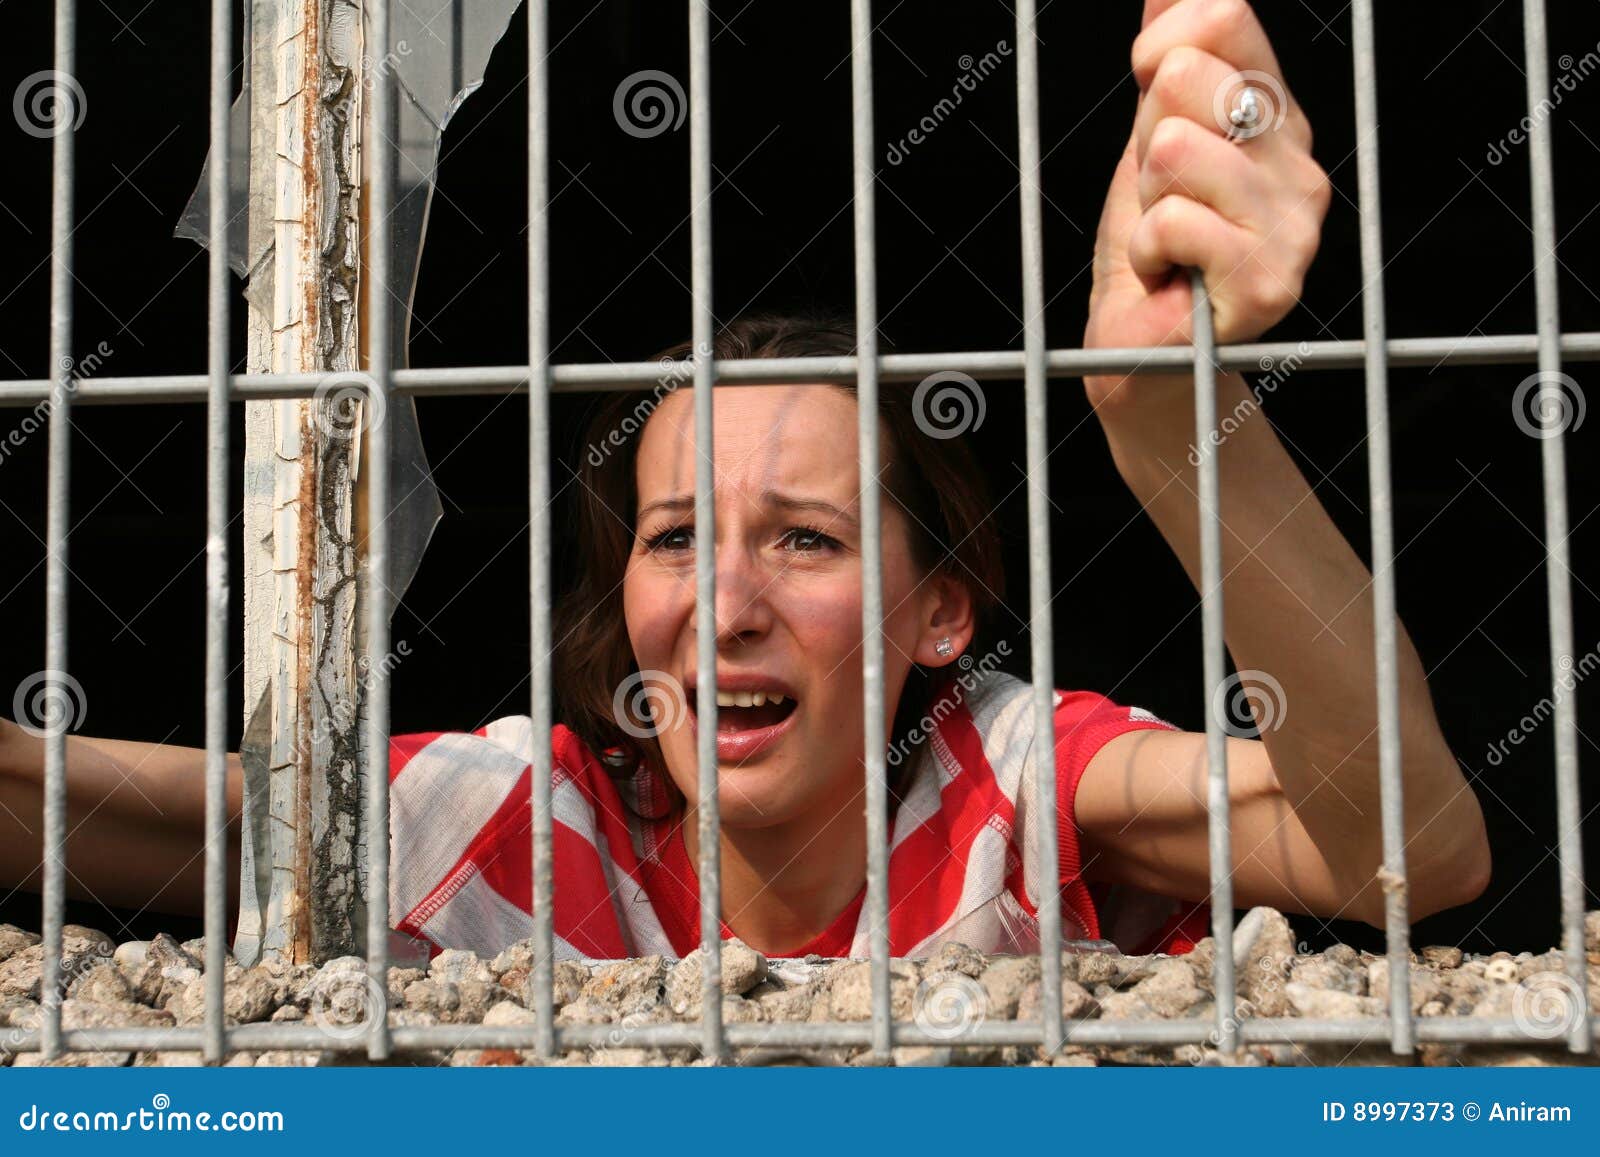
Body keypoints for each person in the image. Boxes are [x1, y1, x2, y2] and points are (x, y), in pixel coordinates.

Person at [0, 0, 1489, 962]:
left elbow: (1410, 853)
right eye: (675, 537)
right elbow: (142, 814)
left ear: (942, 614)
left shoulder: (1012, 773)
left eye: (808, 540)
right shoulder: (538, 812)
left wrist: (1164, 421)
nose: (726, 603)